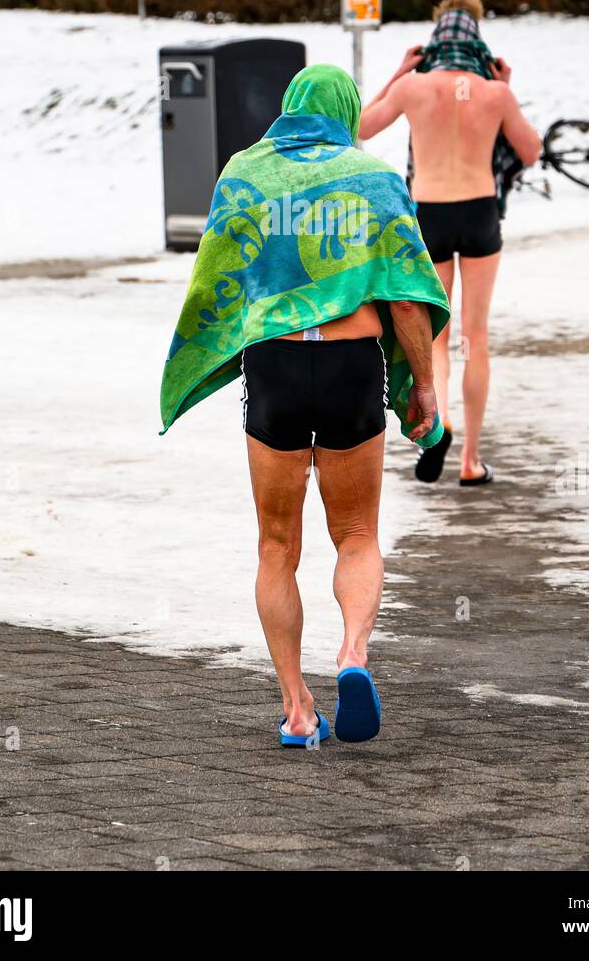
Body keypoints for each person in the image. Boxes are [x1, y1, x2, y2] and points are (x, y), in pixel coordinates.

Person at [160, 64, 449, 747]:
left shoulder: (246, 173)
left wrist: (205, 354)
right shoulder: (373, 179)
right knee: (355, 536)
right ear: (346, 111)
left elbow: (219, 275)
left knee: (275, 546)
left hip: (277, 367)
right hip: (351, 364)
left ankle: (296, 709)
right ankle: (352, 652)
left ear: (289, 107)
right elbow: (407, 293)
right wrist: (424, 386)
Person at [358, 0, 540, 488]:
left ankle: (437, 429)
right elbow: (530, 149)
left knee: (436, 335)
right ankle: (471, 461)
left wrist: (398, 73)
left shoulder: (414, 87)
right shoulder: (492, 92)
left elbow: (361, 128)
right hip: (479, 212)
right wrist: (504, 90)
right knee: (474, 337)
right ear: (477, 37)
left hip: (429, 215)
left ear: (436, 35)